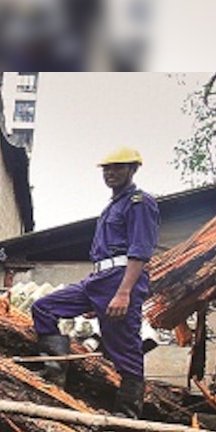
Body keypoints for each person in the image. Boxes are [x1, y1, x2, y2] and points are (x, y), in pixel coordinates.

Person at [31, 146, 159, 418]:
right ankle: (53, 375)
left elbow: (140, 250)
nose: (111, 173)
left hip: (120, 281)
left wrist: (123, 293)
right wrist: (92, 294)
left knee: (124, 348)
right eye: (107, 168)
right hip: (98, 280)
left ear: (133, 169)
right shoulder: (112, 206)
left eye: (118, 167)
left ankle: (127, 414)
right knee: (44, 307)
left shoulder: (139, 202)